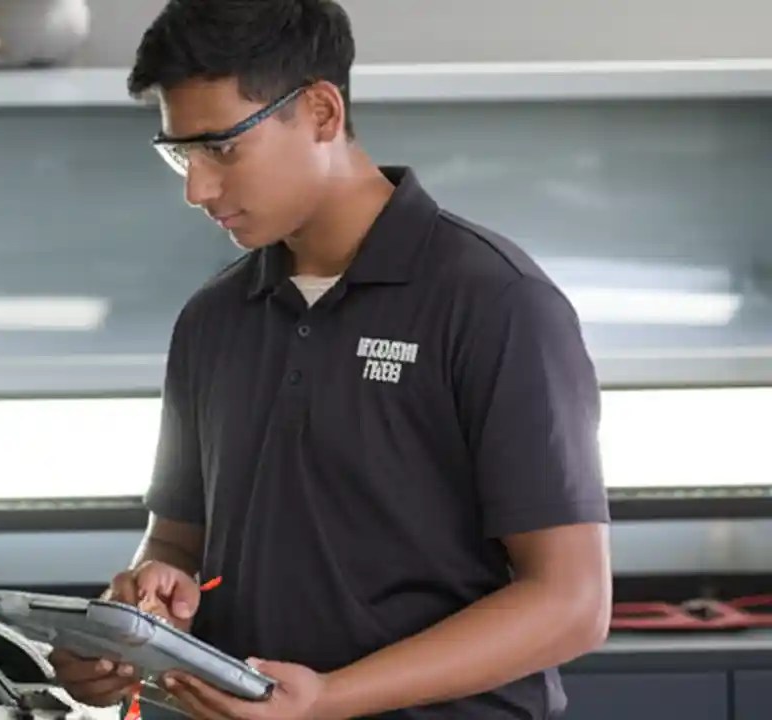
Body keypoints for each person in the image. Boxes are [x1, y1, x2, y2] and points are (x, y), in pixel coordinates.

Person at [49, 1, 613, 717]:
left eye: (220, 148)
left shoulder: (498, 302)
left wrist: (331, 699)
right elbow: (176, 541)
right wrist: (133, 618)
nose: (197, 189)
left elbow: (571, 603)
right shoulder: (212, 319)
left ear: (320, 111)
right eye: (179, 153)